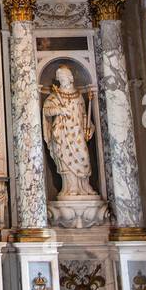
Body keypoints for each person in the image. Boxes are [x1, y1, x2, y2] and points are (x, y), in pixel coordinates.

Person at [41, 65, 96, 198]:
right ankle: (70, 187)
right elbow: (46, 110)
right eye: (60, 78)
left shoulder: (78, 96)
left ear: (70, 78)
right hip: (62, 133)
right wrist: (59, 110)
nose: (62, 80)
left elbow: (83, 114)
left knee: (84, 156)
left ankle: (84, 186)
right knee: (65, 158)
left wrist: (88, 127)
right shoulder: (55, 95)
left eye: (64, 77)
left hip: (77, 133)